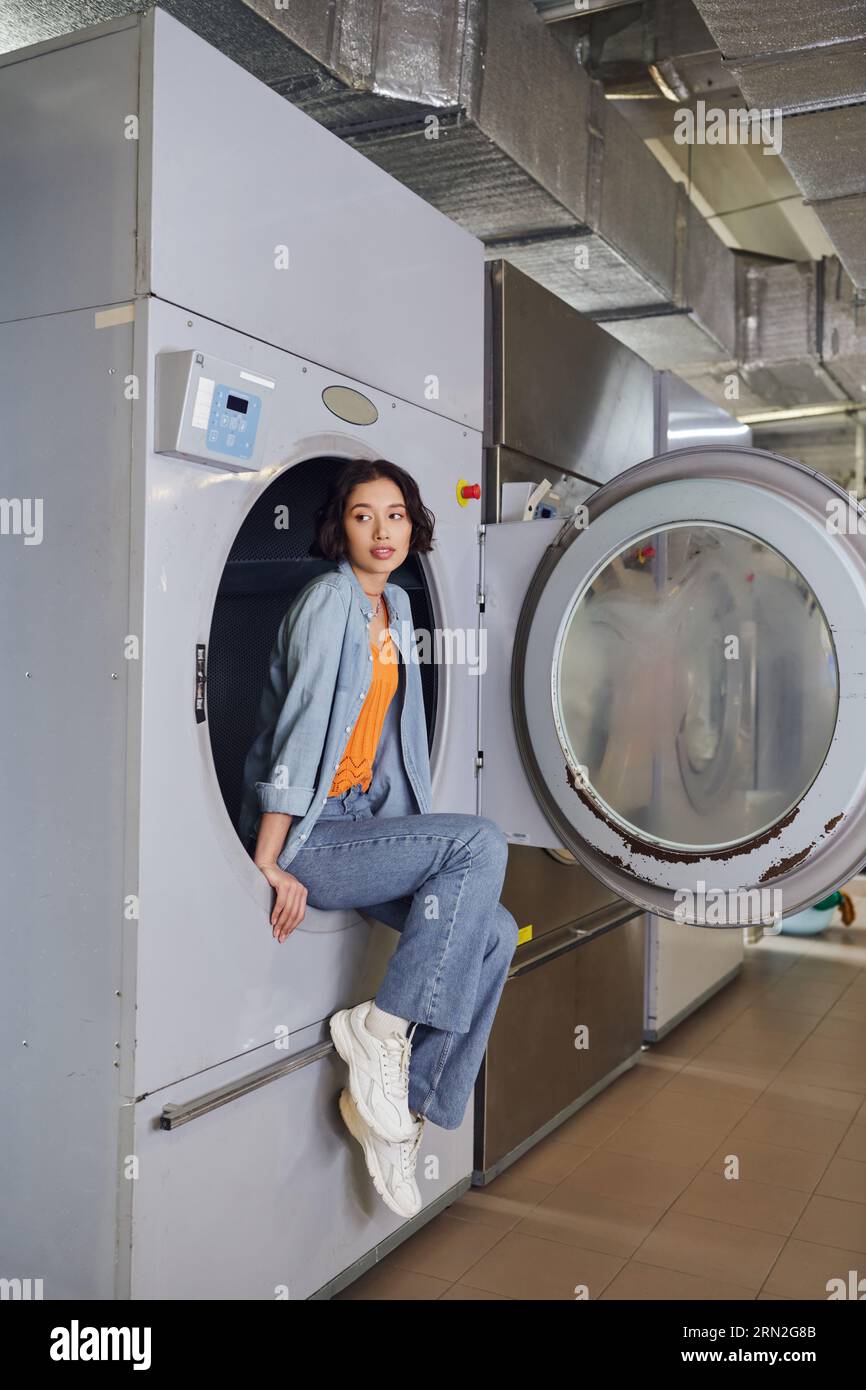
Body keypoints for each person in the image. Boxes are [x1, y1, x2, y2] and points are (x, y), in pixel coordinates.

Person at [237, 457, 519, 1220]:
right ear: (340, 527)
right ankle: (382, 1031)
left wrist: (418, 847)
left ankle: (400, 1114)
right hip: (316, 834)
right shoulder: (331, 601)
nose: (382, 529)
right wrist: (271, 855)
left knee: (493, 930)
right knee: (481, 842)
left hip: (367, 827)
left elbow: (397, 747)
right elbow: (296, 731)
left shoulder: (394, 603)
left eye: (395, 513)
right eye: (364, 515)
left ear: (412, 523)